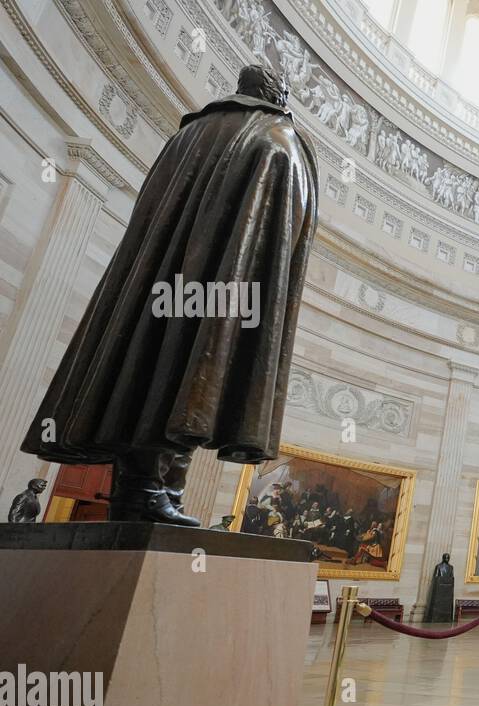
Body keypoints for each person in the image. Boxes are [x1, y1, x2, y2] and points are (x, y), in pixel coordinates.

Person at [20, 65, 318, 524]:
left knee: (148, 369)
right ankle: (152, 492)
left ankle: (151, 493)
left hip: (157, 284)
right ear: (277, 95)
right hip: (222, 287)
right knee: (192, 376)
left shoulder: (189, 134)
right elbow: (279, 235)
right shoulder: (277, 138)